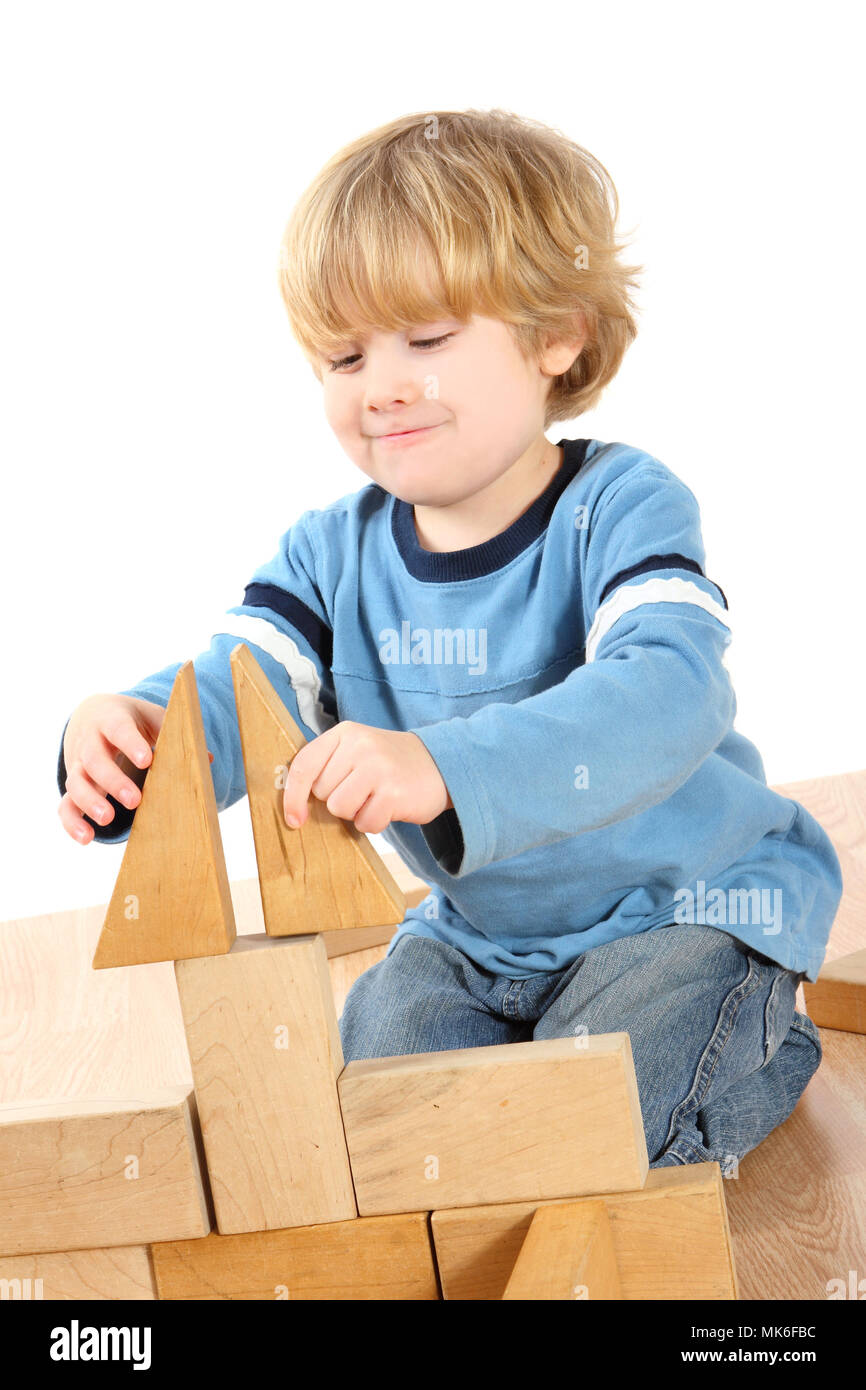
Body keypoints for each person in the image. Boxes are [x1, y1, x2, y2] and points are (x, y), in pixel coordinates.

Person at [57, 108, 842, 1169]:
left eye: (425, 340)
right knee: (377, 1128)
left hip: (679, 909)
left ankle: (758, 1042)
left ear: (555, 333)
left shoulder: (618, 506)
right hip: (475, 938)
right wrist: (138, 736)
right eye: (342, 355)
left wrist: (442, 763)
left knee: (595, 1119)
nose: (379, 383)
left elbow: (667, 691)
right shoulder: (329, 554)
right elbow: (240, 688)